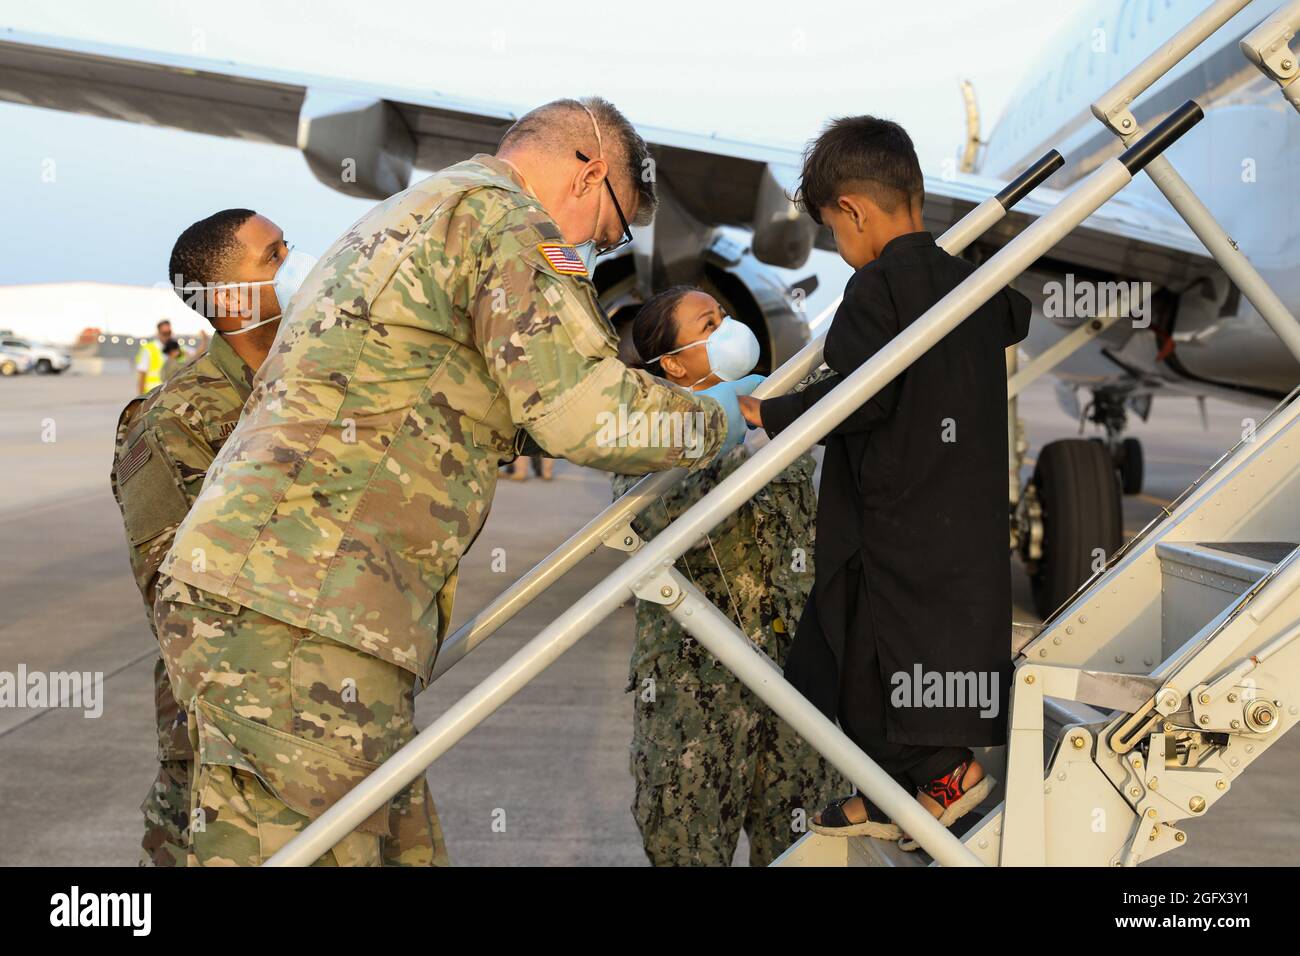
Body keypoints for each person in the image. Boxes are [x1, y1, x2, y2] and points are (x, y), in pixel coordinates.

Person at [152, 97, 758, 866]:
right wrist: (718, 419)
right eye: (607, 232)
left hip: (278, 595)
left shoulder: (406, 212)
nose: (597, 253)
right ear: (589, 173)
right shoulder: (505, 224)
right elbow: (587, 417)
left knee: (376, 848)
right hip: (305, 609)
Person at [111, 208, 448, 867]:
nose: (304, 265)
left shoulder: (337, 389)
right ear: (229, 299)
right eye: (276, 256)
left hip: (361, 708)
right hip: (246, 732)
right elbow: (173, 590)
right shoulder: (175, 420)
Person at [740, 116, 1031, 845]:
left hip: (890, 523)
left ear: (855, 212)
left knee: (842, 656)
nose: (842, 253)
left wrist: (769, 413)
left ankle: (942, 776)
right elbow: (1011, 315)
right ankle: (900, 787)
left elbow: (857, 397)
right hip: (955, 521)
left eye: (836, 234)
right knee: (867, 661)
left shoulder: (876, 292)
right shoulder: (969, 283)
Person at [614, 286, 845, 866]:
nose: (729, 329)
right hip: (697, 694)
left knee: (805, 851)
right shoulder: (647, 429)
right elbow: (642, 517)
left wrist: (764, 415)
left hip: (796, 679)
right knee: (686, 850)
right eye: (709, 323)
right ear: (672, 362)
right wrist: (721, 433)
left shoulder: (776, 403)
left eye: (727, 317)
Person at [135, 320, 182, 395]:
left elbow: (194, 355)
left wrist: (204, 341)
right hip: (152, 395)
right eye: (164, 333)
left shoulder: (176, 348)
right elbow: (142, 375)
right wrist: (141, 399)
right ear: (158, 333)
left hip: (170, 395)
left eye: (169, 333)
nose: (167, 336)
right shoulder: (149, 349)